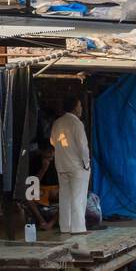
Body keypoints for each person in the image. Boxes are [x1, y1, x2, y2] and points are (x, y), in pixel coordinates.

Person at [50, 95, 90, 235]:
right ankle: (79, 228)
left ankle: (65, 227)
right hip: (77, 166)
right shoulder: (76, 123)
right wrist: (86, 164)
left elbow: (52, 142)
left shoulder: (57, 123)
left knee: (65, 197)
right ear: (74, 108)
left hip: (61, 164)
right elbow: (83, 146)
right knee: (78, 197)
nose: (81, 108)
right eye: (80, 105)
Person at [22, 143, 59, 232]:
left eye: (52, 152)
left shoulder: (58, 161)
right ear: (42, 152)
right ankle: (41, 221)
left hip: (55, 189)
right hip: (41, 189)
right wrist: (43, 169)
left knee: (68, 198)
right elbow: (32, 183)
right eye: (48, 152)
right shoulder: (35, 161)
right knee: (27, 196)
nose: (50, 154)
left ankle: (51, 224)